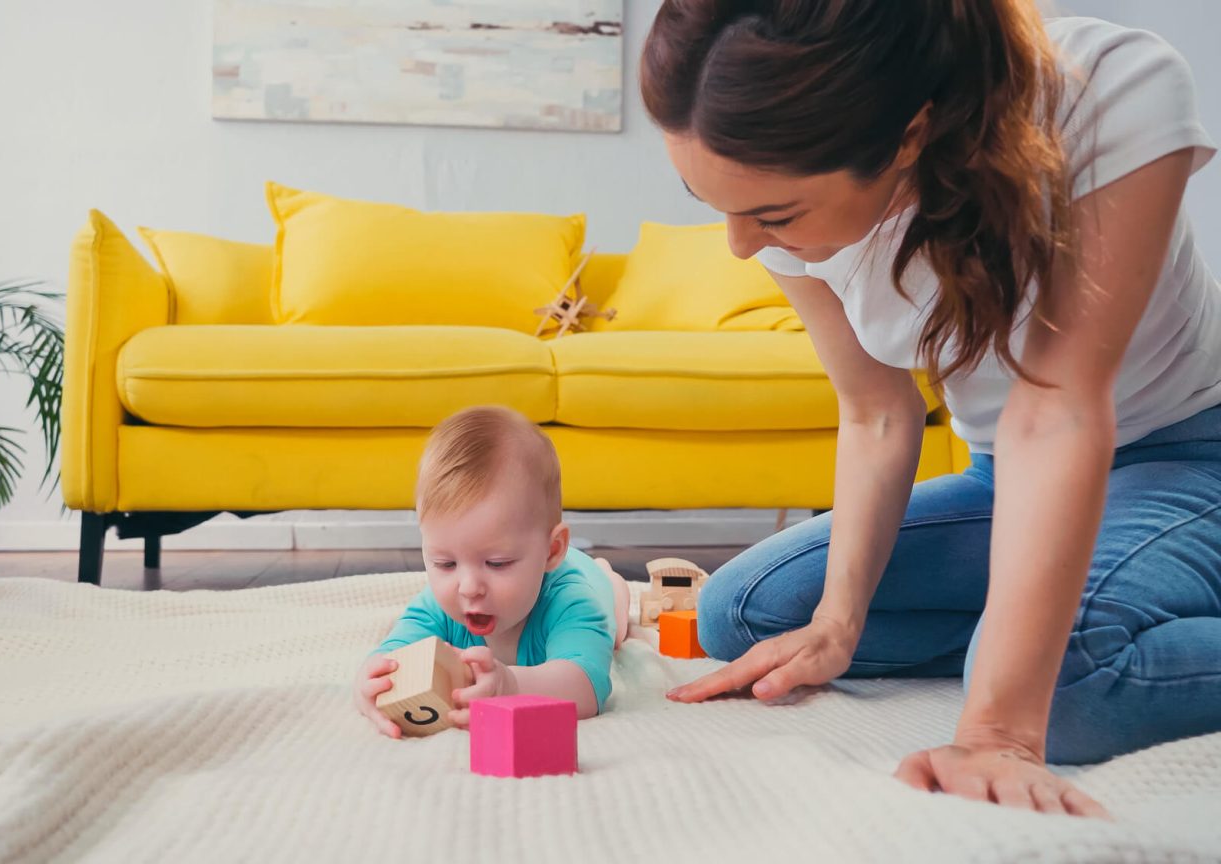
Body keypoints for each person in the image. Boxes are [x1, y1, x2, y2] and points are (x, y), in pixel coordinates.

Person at [642, 0, 1220, 818]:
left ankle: (1064, 634)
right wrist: (838, 623)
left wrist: (998, 730)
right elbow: (878, 412)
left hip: (1185, 453)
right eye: (715, 205)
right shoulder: (780, 192)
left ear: (910, 136)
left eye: (772, 216)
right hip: (1007, 477)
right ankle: (1062, 621)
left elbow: (1056, 410)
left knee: (1070, 688)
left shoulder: (1109, 87)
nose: (742, 246)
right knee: (745, 615)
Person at [353, 406, 632, 738]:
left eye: (497, 563)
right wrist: (370, 685)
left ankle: (611, 580)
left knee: (614, 623)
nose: (469, 588)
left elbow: (587, 686)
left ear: (552, 550)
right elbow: (392, 653)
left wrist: (511, 685)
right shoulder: (437, 608)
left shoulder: (571, 602)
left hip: (590, 582)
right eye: (446, 564)